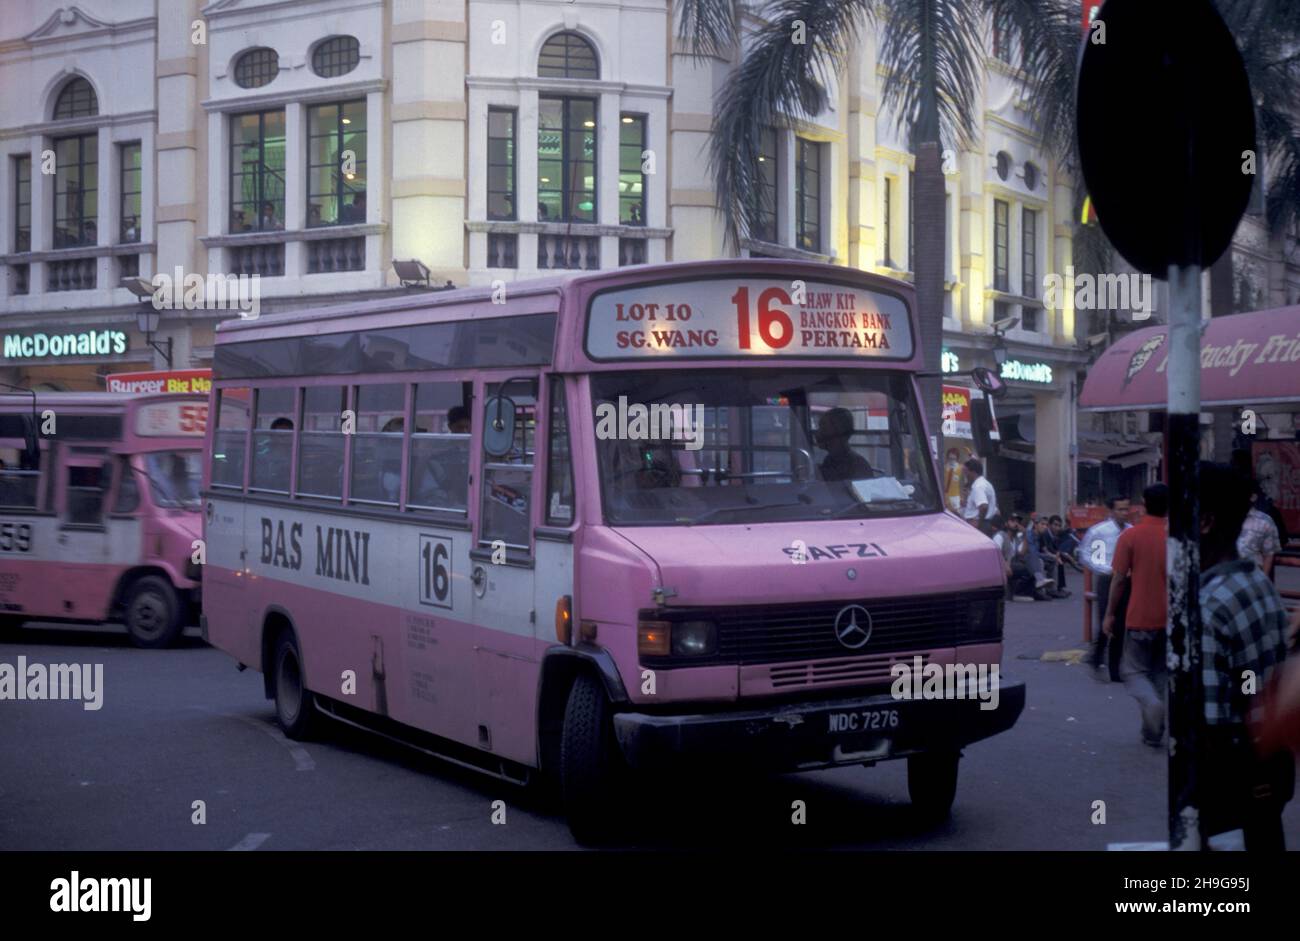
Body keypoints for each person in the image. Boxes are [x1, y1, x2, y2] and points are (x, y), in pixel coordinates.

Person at [1196, 462, 1292, 850]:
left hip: (1229, 775)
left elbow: (1212, 726)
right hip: (1271, 762)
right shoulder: (1256, 583)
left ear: (1203, 522)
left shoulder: (1207, 606)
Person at [1104, 483, 1169, 747]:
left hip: (1140, 614)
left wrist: (1109, 613)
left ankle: (1152, 707)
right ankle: (1152, 732)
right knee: (1160, 674)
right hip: (1171, 618)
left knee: (1132, 671)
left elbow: (1118, 579)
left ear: (1143, 504)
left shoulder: (1131, 537)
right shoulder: (1177, 536)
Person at [1082, 496, 1132, 682]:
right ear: (1112, 511)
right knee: (1106, 619)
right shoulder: (1101, 532)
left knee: (1121, 624)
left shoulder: (1131, 531)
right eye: (1120, 510)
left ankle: (1114, 668)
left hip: (1126, 579)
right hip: (1107, 578)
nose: (1124, 513)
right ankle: (1096, 656)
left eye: (1126, 509)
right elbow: (1088, 556)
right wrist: (1107, 570)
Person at [815, 408, 873, 482]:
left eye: (824, 428)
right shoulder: (830, 460)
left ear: (839, 432)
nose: (817, 433)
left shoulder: (857, 466)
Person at [1238, 492, 1282, 578]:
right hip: (1225, 578)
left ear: (1253, 496)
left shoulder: (1264, 521)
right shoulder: (1224, 519)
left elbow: (1268, 554)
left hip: (1252, 577)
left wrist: (1263, 581)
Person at [1050, 515, 1084, 593]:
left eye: (1059, 525)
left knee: (1063, 558)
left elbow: (1066, 531)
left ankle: (1060, 587)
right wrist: (1060, 554)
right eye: (1055, 525)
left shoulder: (1057, 534)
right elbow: (1048, 549)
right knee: (1061, 559)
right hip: (1049, 555)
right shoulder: (1047, 534)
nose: (1057, 528)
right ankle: (1058, 588)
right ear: (1050, 525)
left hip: (1054, 554)